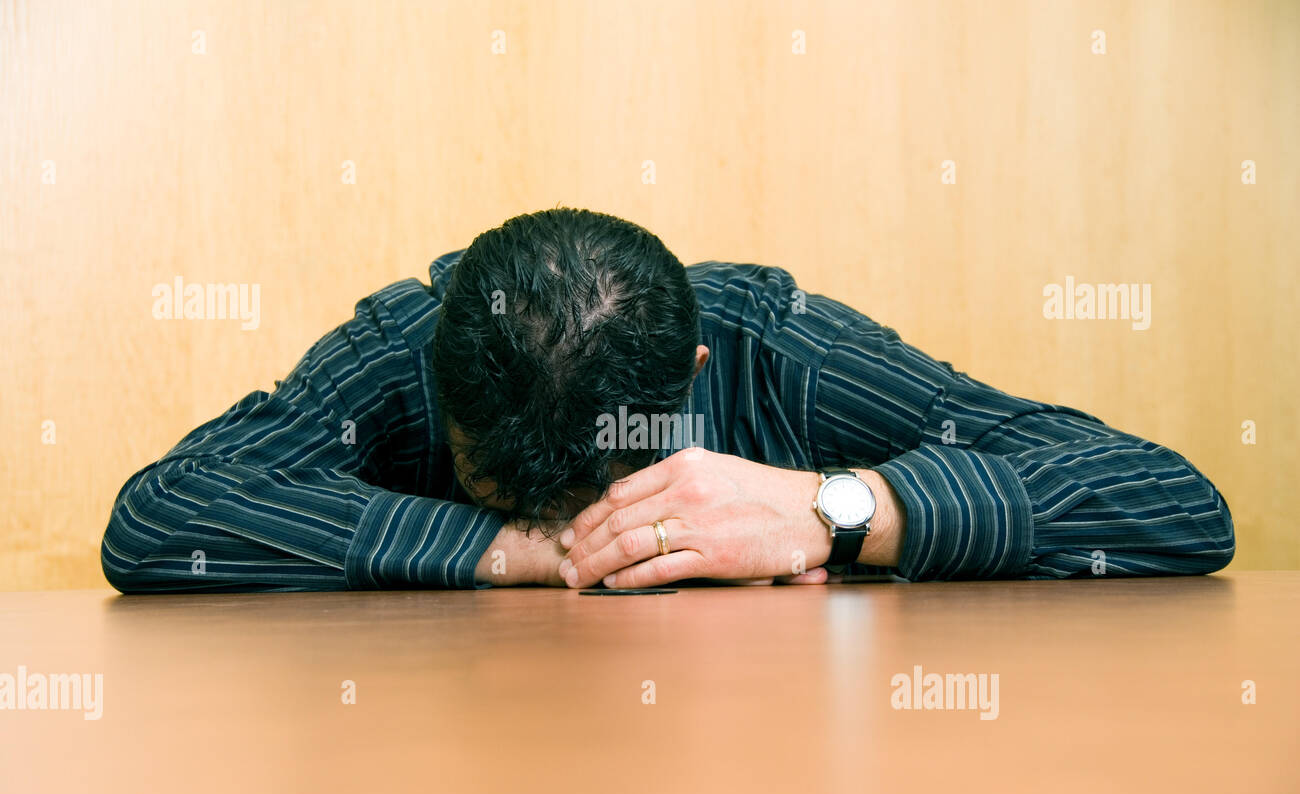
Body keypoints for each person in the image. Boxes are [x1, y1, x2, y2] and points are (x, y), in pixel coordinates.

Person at [101, 208, 1234, 592]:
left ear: (692, 382)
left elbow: (1173, 501)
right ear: (437, 385)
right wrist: (502, 551)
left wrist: (832, 510)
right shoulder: (408, 345)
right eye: (516, 494)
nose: (581, 537)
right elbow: (159, 515)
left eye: (593, 497)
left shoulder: (770, 344)